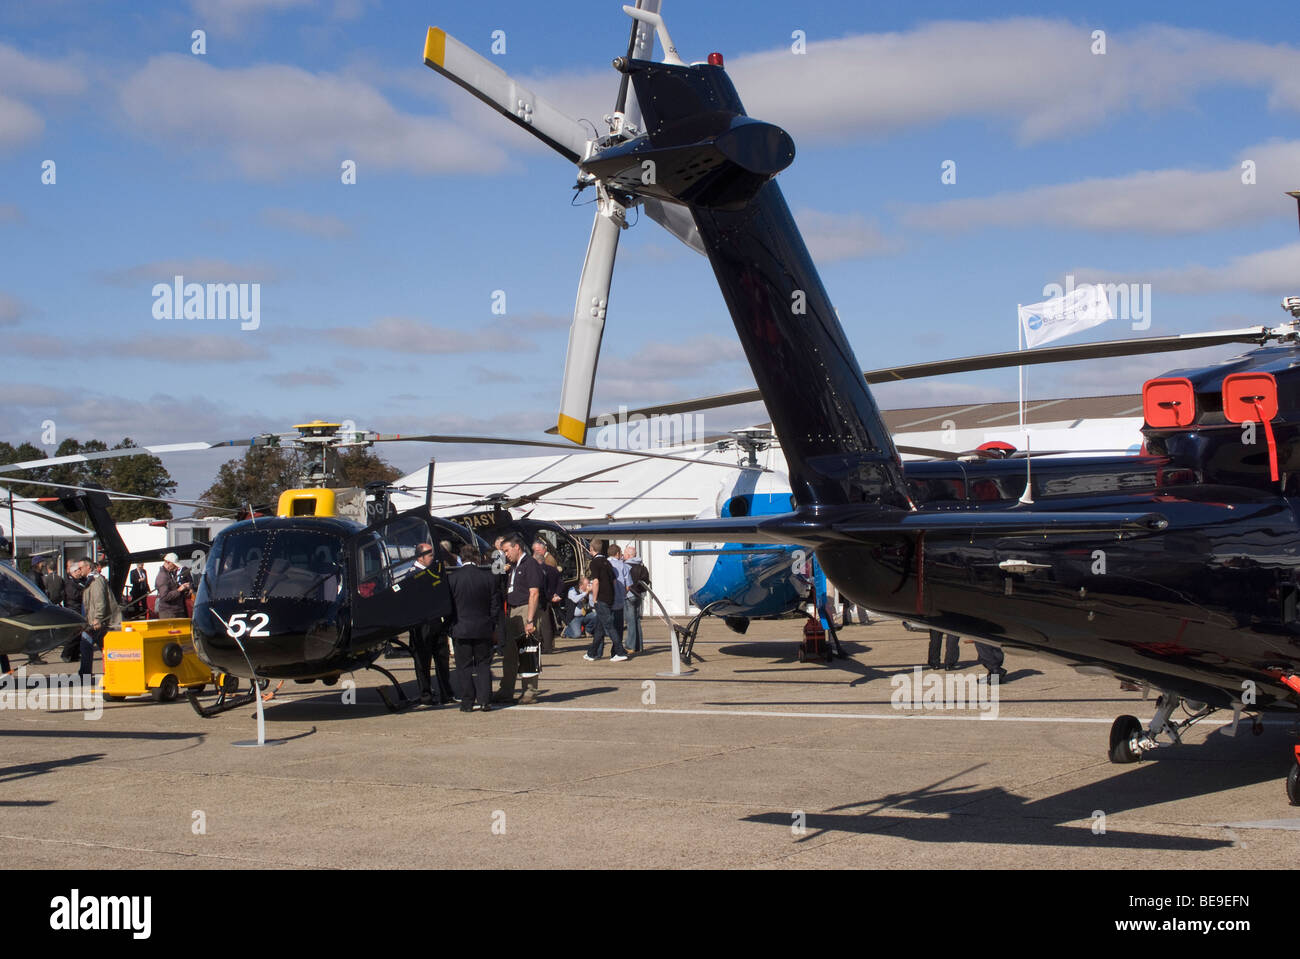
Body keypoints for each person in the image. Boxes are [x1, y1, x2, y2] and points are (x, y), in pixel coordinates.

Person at [447, 545, 501, 712]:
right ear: (477, 558)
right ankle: (485, 701)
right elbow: (495, 605)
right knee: (483, 665)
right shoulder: (488, 577)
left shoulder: (452, 578)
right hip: (483, 627)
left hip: (461, 627)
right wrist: (492, 624)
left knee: (463, 667)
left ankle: (467, 702)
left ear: (461, 558)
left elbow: (449, 606)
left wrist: (451, 625)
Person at [402, 543, 456, 706]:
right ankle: (426, 694)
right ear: (420, 557)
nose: (433, 558)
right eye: (430, 555)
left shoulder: (433, 571)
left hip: (437, 622)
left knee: (442, 658)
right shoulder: (412, 575)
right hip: (422, 625)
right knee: (423, 662)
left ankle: (446, 693)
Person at [496, 532, 544, 704]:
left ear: (517, 547)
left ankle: (530, 691)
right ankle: (506, 689)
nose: (505, 554)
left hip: (525, 610)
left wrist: (530, 620)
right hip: (513, 611)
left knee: (528, 652)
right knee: (510, 654)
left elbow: (534, 592)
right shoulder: (514, 565)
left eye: (507, 550)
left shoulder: (530, 564)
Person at [76, 558, 120, 680]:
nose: (79, 570)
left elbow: (100, 601)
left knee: (105, 648)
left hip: (98, 622)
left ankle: (116, 672)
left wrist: (98, 618)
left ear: (88, 567)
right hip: (89, 622)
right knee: (86, 646)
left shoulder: (96, 580)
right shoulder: (89, 580)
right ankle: (84, 674)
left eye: (80, 568)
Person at [584, 539, 627, 662]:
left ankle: (620, 651)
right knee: (600, 627)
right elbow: (613, 581)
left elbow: (596, 582)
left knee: (608, 625)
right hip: (610, 597)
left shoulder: (595, 563)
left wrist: (595, 598)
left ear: (591, 549)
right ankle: (592, 653)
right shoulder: (607, 562)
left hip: (602, 598)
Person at [531, 538, 562, 654]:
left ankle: (542, 645)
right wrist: (556, 594)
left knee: (539, 624)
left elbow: (541, 585)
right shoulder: (552, 569)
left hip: (541, 599)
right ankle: (548, 645)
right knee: (547, 623)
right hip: (548, 598)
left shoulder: (540, 569)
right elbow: (560, 582)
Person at [623, 545, 650, 653]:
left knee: (630, 621)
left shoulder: (626, 566)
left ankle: (631, 645)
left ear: (629, 555)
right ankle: (639, 646)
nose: (623, 555)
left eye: (624, 553)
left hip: (629, 595)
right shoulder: (641, 565)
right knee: (637, 619)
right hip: (639, 595)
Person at [607, 542, 630, 650]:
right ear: (617, 554)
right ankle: (616, 649)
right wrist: (622, 594)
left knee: (604, 626)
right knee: (618, 626)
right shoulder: (623, 566)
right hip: (619, 600)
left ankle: (597, 650)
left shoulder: (604, 564)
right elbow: (628, 585)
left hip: (606, 600)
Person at [154, 554, 189, 619]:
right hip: (169, 613)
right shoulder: (163, 576)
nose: (176, 567)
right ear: (168, 562)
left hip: (174, 611)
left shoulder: (169, 574)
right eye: (174, 564)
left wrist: (184, 589)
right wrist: (179, 590)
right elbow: (165, 597)